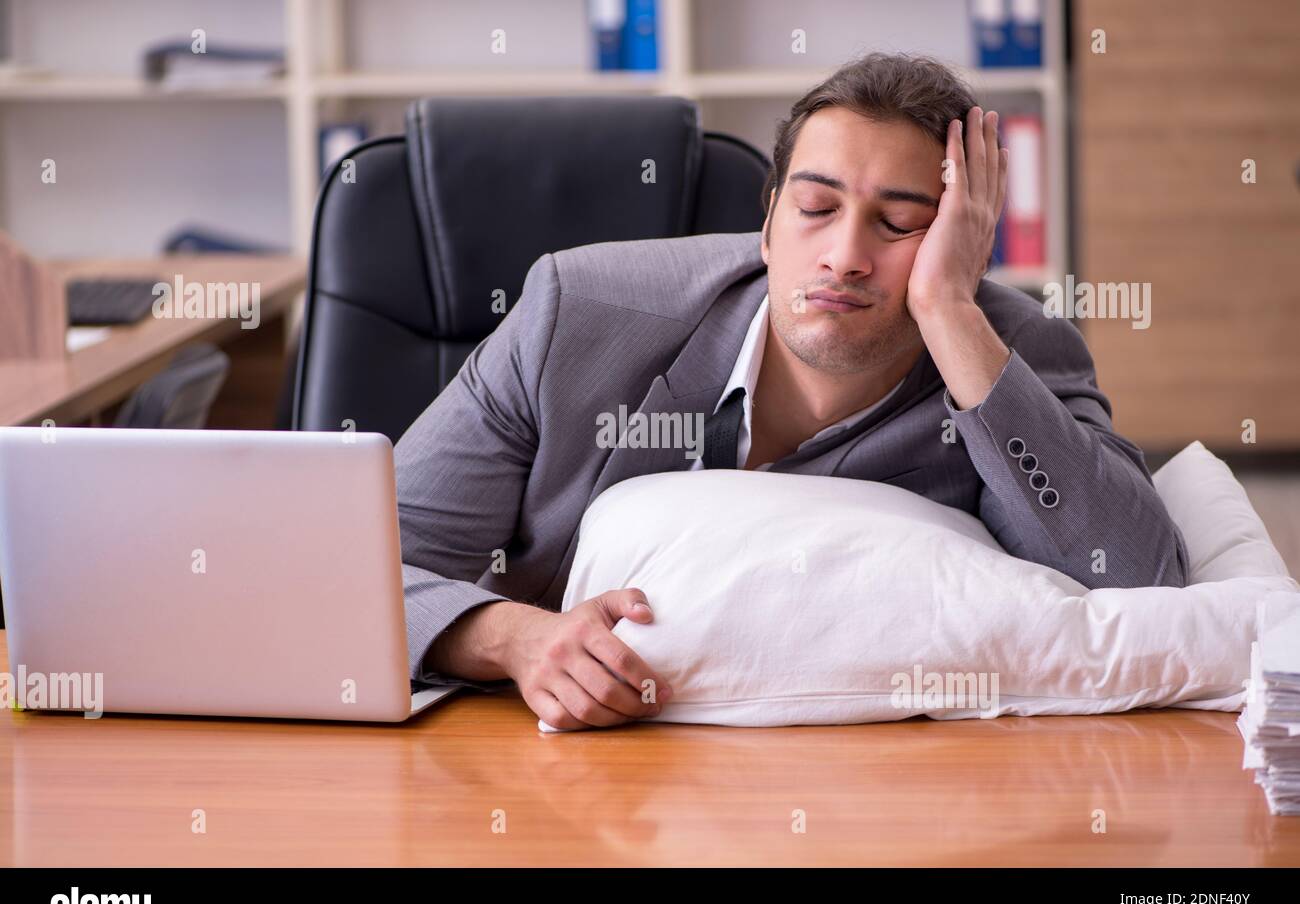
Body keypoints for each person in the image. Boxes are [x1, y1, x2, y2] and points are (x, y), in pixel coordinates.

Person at [394, 53, 1188, 731]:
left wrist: (950, 309)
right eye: (816, 208)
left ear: (964, 244)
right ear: (769, 222)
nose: (843, 256)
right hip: (521, 746)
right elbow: (357, 568)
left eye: (899, 223)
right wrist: (510, 637)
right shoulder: (578, 314)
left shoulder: (1010, 356)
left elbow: (1140, 583)